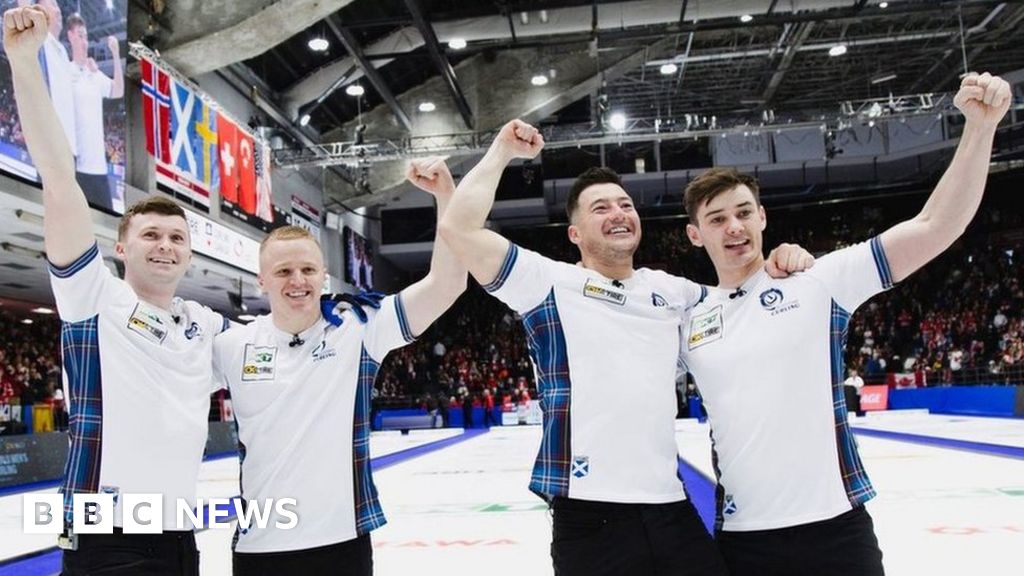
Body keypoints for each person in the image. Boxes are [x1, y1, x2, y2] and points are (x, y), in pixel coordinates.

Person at [437, 119, 813, 576]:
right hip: (589, 516)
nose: (618, 212)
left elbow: (741, 296)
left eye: (625, 204)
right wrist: (500, 152)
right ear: (574, 234)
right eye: (600, 208)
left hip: (671, 507)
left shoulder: (674, 293)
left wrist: (783, 258)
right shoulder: (548, 283)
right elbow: (459, 228)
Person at [678, 72, 1011, 576]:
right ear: (695, 235)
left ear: (763, 217)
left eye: (744, 212)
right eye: (717, 218)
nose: (734, 227)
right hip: (743, 542)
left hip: (836, 531)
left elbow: (936, 225)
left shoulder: (819, 280)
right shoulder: (688, 317)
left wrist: (980, 129)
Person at [5, 6, 222, 574]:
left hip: (181, 535)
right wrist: (24, 62)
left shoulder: (206, 325)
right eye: (150, 233)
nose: (165, 244)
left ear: (189, 254)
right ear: (122, 248)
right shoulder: (93, 297)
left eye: (177, 236)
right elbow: (59, 179)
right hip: (108, 534)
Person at [212, 157, 466, 575]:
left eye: (308, 269)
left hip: (341, 543)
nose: (298, 280)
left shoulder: (360, 327)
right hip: (260, 547)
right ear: (261, 280)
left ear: (324, 276)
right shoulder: (231, 344)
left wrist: (446, 197)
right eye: (284, 271)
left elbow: (448, 284)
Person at [66, 12, 123, 211]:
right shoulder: (66, 71)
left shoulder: (95, 74)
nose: (84, 41)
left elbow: (118, 90)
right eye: (80, 35)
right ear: (70, 36)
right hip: (77, 168)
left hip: (99, 169)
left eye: (86, 36)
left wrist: (115, 53)